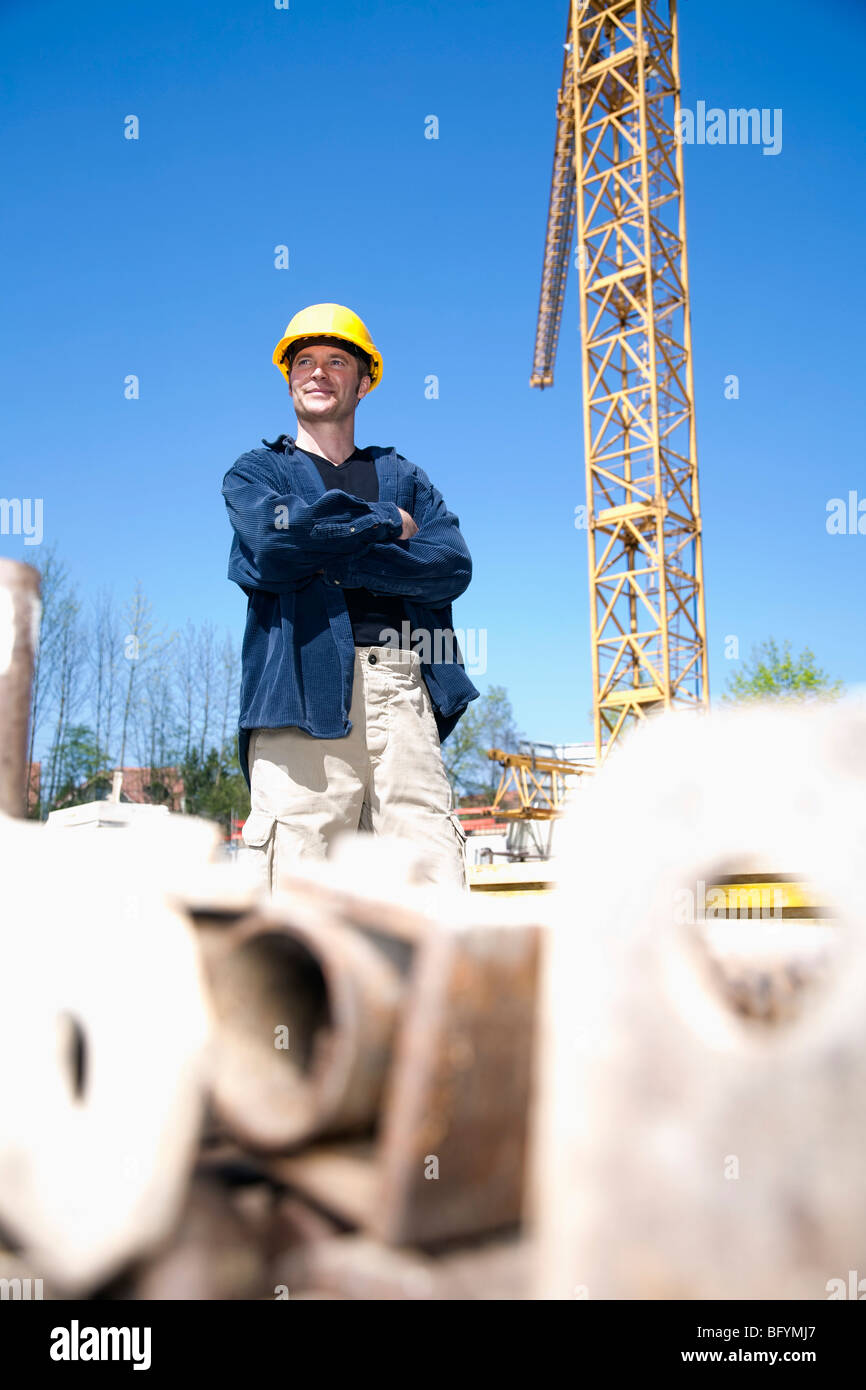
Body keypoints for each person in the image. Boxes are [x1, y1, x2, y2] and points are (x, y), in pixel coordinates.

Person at [222, 303, 479, 893]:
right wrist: (387, 523)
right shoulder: (258, 472)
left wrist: (323, 549)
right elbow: (269, 543)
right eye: (304, 361)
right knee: (299, 893)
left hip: (402, 692)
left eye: (337, 361)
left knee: (433, 887)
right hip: (299, 694)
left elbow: (452, 566)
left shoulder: (404, 474)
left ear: (363, 382)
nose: (318, 372)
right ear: (288, 377)